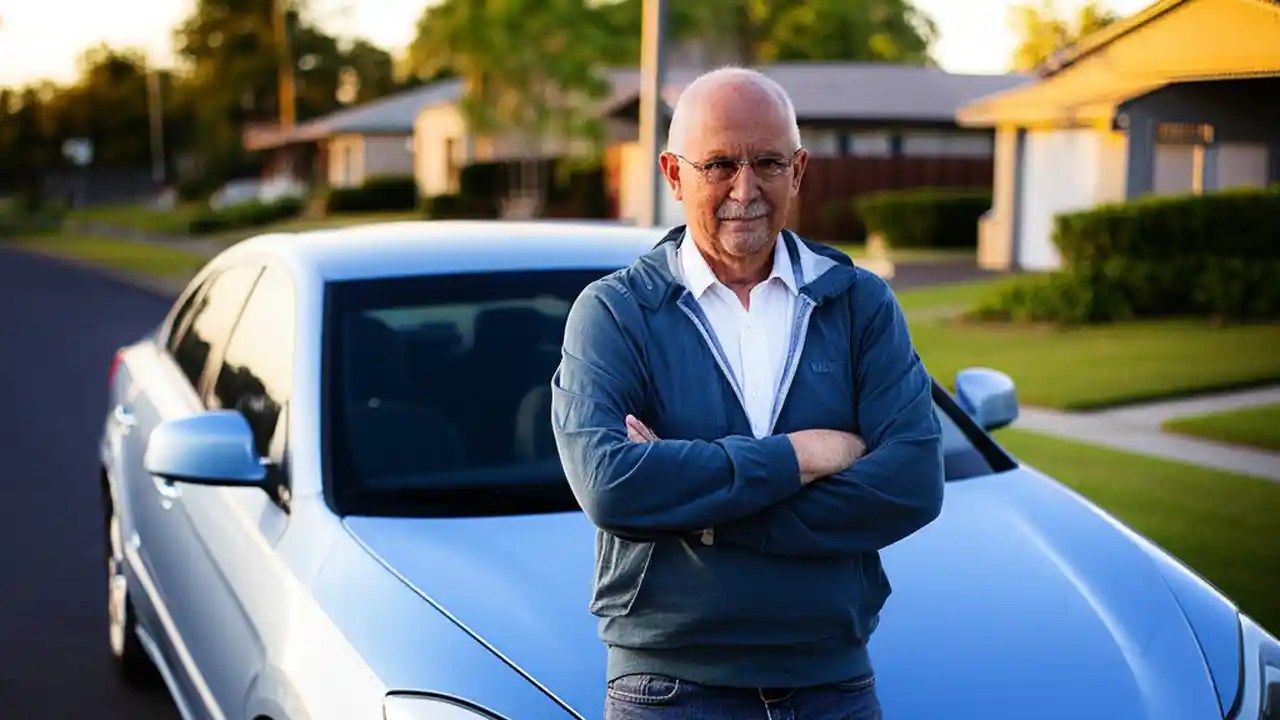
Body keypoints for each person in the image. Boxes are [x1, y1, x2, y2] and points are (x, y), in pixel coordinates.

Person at [551, 66, 945, 720]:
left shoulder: (858, 305)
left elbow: (912, 483)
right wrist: (796, 459)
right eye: (718, 165)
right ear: (673, 174)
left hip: (833, 688)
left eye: (767, 162)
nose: (745, 188)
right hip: (669, 693)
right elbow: (610, 485)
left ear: (799, 170)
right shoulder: (616, 313)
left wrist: (695, 512)